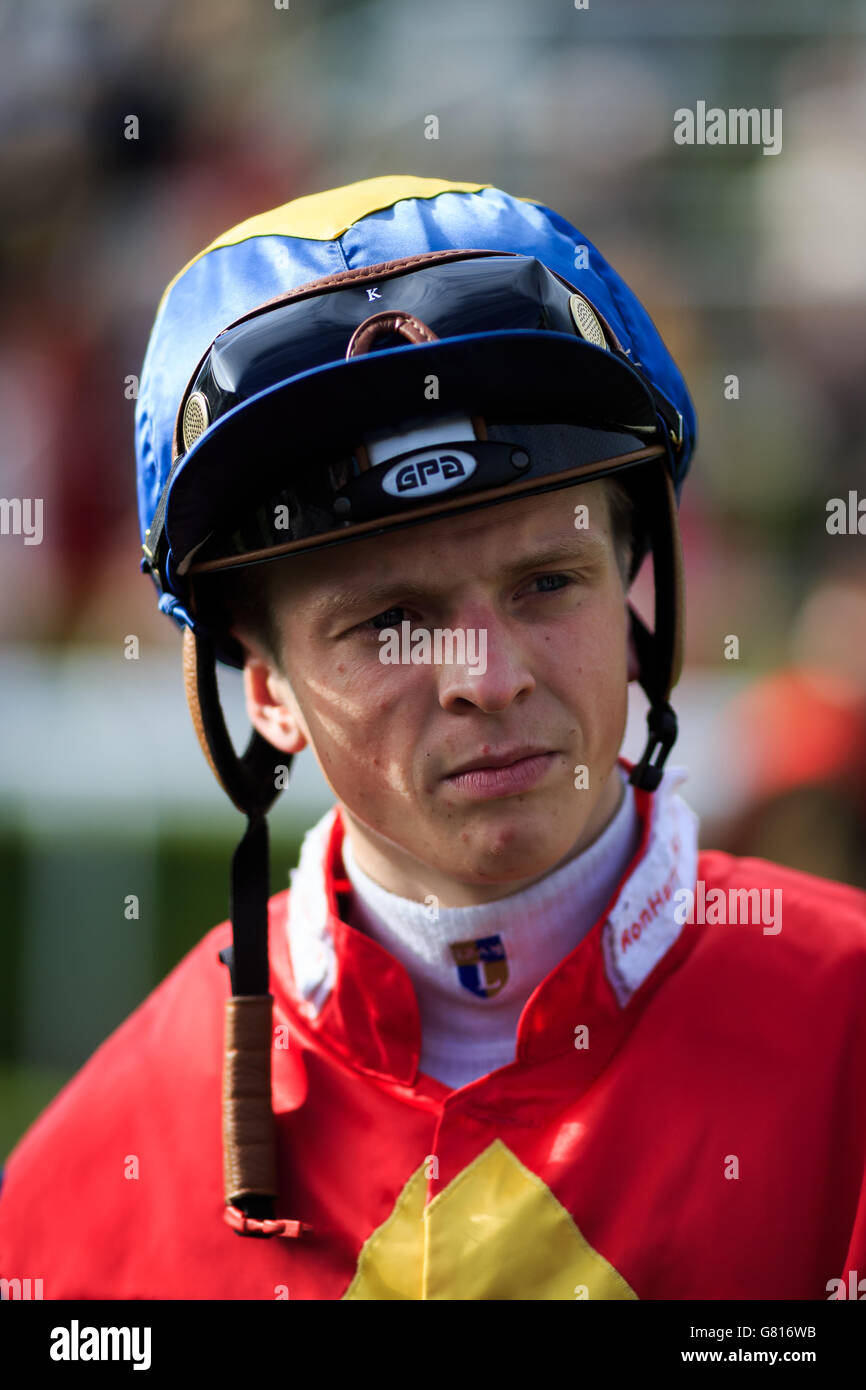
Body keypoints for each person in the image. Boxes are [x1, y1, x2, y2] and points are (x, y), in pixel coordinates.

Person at [1, 175, 865, 1301]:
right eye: (389, 622)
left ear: (633, 593)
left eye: (546, 583)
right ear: (263, 688)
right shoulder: (78, 1189)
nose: (488, 680)